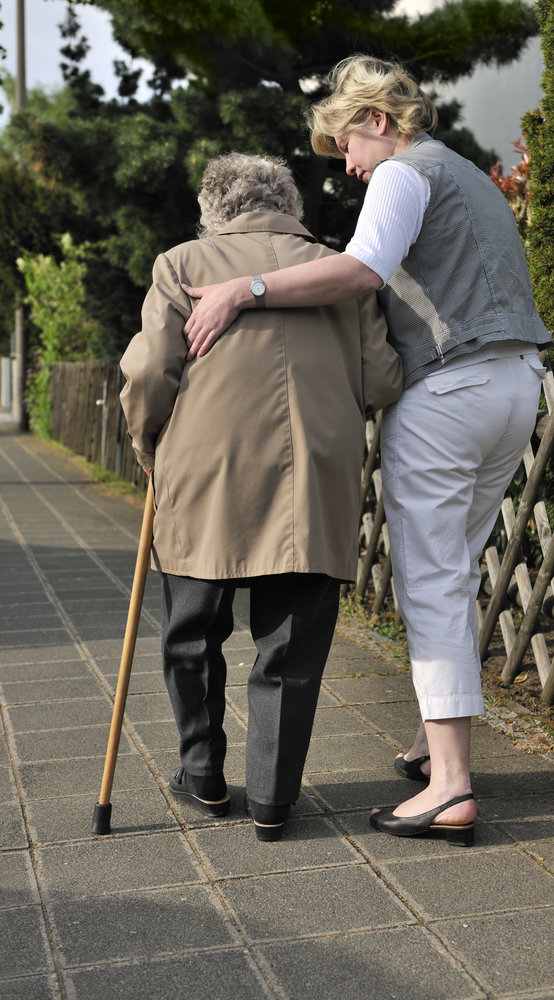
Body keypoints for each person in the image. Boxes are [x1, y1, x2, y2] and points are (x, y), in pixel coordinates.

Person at [179, 56, 552, 846]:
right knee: (458, 562)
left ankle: (450, 786)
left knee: (430, 580)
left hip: (448, 389)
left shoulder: (402, 172)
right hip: (519, 383)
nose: (345, 165)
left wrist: (242, 290)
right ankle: (432, 741)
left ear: (377, 121)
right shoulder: (471, 177)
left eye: (345, 142)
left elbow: (357, 272)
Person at [119, 152, 402, 841]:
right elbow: (381, 381)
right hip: (313, 469)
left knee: (191, 631)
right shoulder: (342, 271)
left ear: (213, 208)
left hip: (204, 470)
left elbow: (152, 370)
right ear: (291, 206)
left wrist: (145, 445)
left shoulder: (181, 263)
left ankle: (204, 776)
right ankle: (273, 801)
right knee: (290, 647)